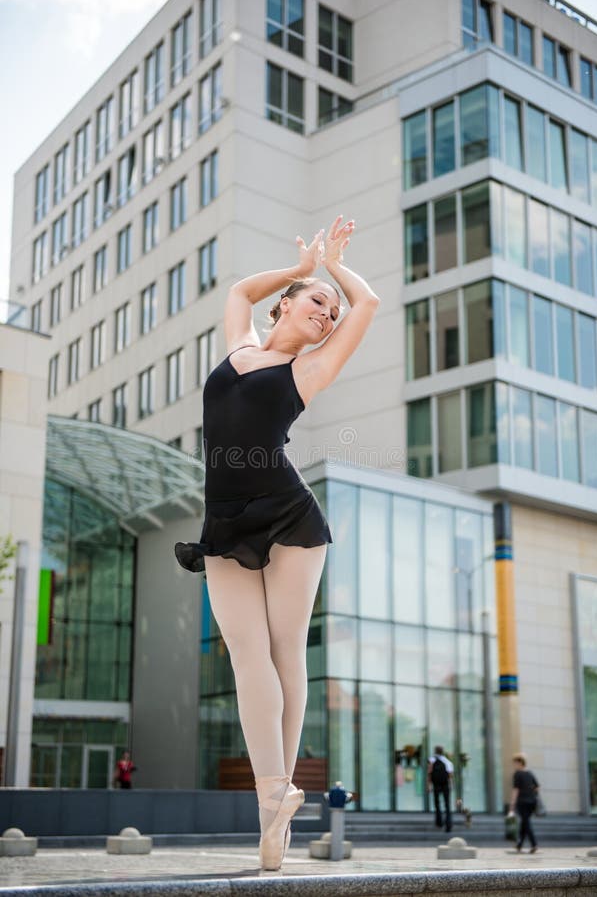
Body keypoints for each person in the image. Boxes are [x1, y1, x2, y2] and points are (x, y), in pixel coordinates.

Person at [174, 216, 379, 871]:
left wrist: (336, 266)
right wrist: (299, 268)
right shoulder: (240, 344)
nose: (326, 312)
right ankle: (274, 803)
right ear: (285, 303)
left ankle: (276, 806)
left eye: (329, 311)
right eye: (317, 300)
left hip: (289, 516)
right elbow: (237, 291)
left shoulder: (309, 368)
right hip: (225, 518)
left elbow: (367, 303)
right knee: (243, 652)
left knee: (284, 648)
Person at [510, 752, 539, 853]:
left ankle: (534, 844)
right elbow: (537, 787)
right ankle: (519, 844)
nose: (514, 765)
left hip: (522, 802)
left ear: (520, 762)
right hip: (532, 802)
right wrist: (530, 792)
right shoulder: (530, 773)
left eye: (515, 763)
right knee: (524, 822)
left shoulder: (517, 774)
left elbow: (515, 790)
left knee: (526, 822)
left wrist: (512, 804)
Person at [427, 745, 454, 832]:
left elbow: (429, 773)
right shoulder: (447, 762)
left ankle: (439, 822)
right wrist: (451, 785)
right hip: (445, 785)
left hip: (436, 784)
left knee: (437, 803)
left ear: (435, 751)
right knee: (447, 804)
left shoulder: (432, 760)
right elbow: (450, 776)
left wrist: (429, 785)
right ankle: (448, 824)